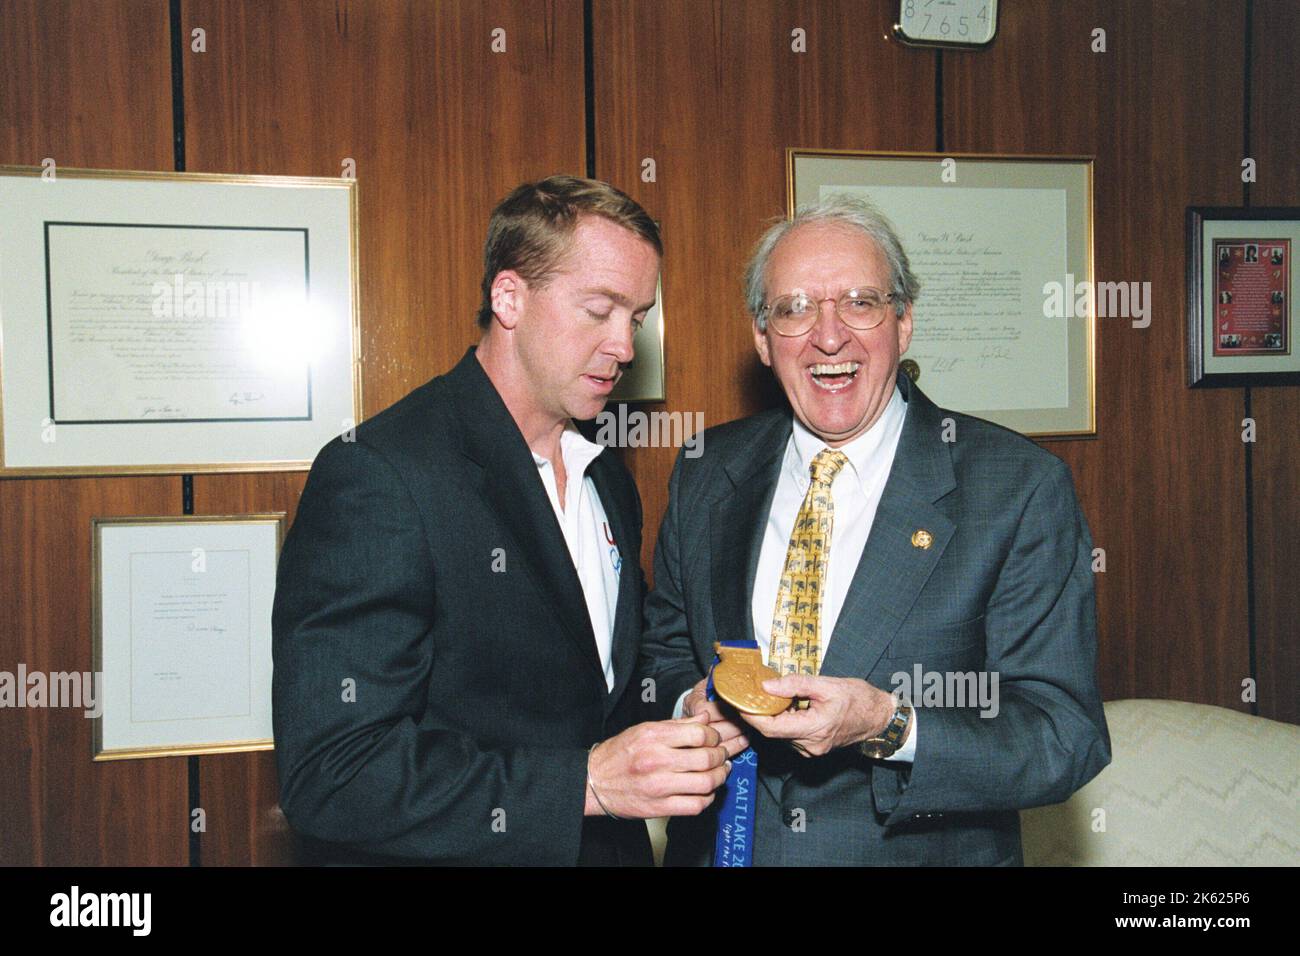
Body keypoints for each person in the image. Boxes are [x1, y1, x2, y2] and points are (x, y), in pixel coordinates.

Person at [272, 175, 738, 866]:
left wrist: (681, 715)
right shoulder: (381, 474)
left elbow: (590, 689)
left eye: (636, 317)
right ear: (509, 296)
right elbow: (334, 773)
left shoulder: (606, 475)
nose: (625, 346)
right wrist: (584, 784)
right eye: (599, 310)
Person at [640, 194, 1111, 865]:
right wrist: (696, 707)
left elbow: (1063, 738)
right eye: (795, 308)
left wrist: (891, 726)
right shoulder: (705, 472)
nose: (829, 337)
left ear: (904, 321)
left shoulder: (1017, 489)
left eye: (860, 302)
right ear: (762, 337)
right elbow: (659, 659)